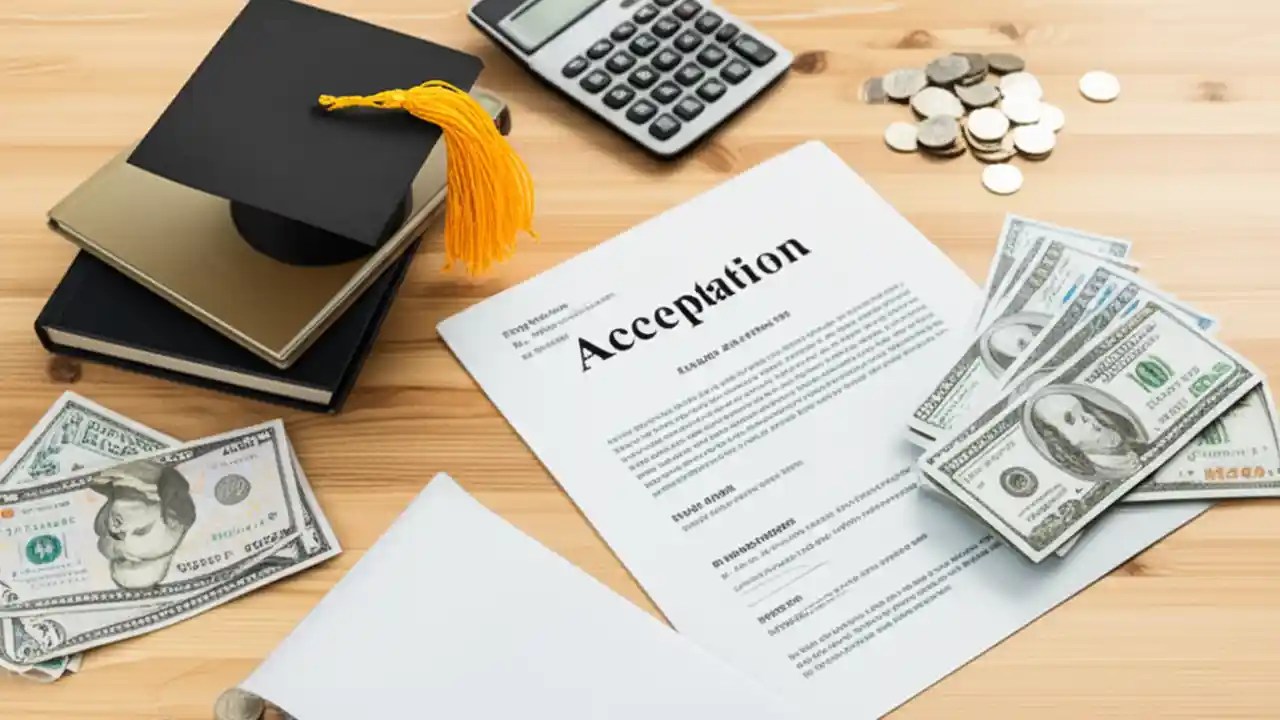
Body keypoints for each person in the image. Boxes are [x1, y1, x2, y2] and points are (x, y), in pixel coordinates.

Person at [90, 460, 197, 590]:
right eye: (141, 531)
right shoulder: (169, 535)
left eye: (120, 560)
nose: (117, 529)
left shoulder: (108, 545)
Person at [1025, 386, 1148, 480]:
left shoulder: (1131, 444)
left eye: (1083, 409)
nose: (1088, 417)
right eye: (1071, 420)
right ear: (1060, 440)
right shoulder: (1106, 468)